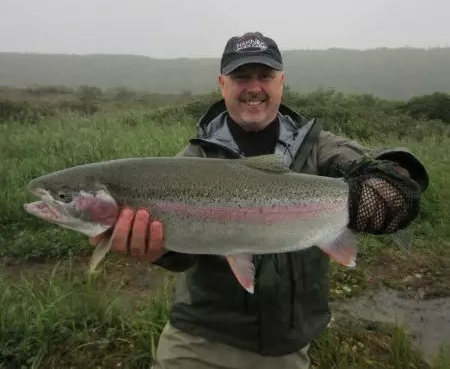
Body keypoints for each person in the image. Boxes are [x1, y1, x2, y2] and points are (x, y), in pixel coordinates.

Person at [90, 32, 429, 369]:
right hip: (198, 338)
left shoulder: (318, 146)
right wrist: (158, 251)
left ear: (281, 82)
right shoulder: (194, 159)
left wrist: (389, 177)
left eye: (265, 76)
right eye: (241, 77)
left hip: (286, 345)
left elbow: (365, 160)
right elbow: (182, 258)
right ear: (222, 84)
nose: (253, 87)